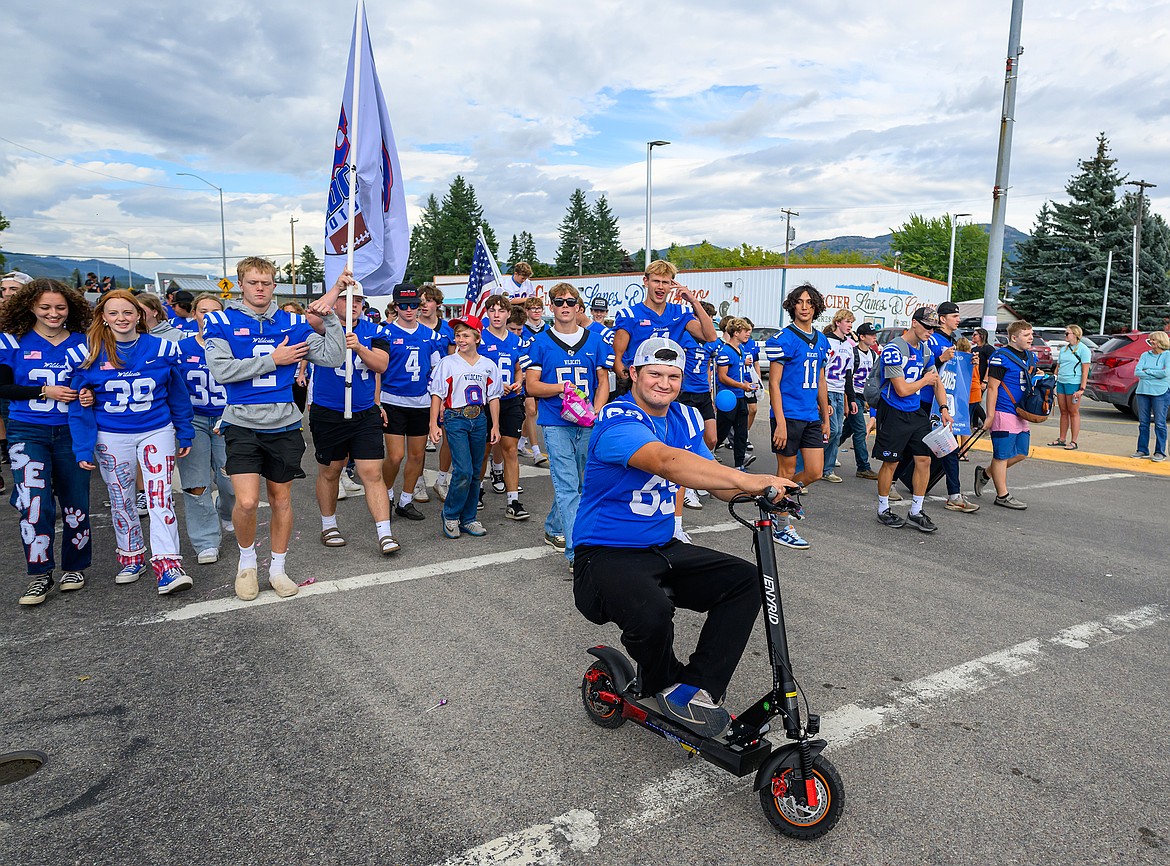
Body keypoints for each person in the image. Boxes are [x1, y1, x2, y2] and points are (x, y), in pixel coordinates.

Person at [572, 337, 794, 738]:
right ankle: (662, 683)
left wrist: (761, 493)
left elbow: (714, 482)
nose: (664, 382)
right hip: (606, 554)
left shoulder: (685, 418)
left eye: (673, 375)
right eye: (654, 373)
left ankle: (696, 688)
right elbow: (667, 462)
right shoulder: (617, 418)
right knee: (652, 611)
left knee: (747, 581)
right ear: (634, 374)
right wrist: (753, 477)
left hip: (662, 546)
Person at [203, 256, 346, 601]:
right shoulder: (218, 320)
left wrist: (331, 319)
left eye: (266, 283)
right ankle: (247, 563)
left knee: (281, 499)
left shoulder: (293, 322)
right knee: (248, 501)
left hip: (283, 422)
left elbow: (333, 357)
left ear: (274, 285)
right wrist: (274, 360)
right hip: (242, 422)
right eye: (253, 282)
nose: (260, 289)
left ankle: (278, 568)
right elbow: (222, 371)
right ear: (241, 283)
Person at [68, 290, 196, 594]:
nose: (121, 319)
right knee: (121, 498)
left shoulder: (163, 348)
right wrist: (83, 445)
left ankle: (167, 564)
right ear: (103, 317)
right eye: (113, 313)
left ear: (139, 315)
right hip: (111, 433)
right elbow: (78, 403)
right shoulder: (86, 352)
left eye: (128, 312)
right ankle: (131, 555)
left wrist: (185, 430)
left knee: (159, 495)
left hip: (156, 429)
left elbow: (178, 394)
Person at [0, 279, 93, 605]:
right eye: (45, 307)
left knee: (75, 501)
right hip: (28, 429)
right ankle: (39, 573)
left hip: (71, 430)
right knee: (34, 503)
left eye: (60, 307)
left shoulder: (83, 343)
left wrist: (87, 393)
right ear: (30, 307)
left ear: (70, 308)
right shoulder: (11, 342)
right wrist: (43, 391)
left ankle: (75, 566)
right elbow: (3, 388)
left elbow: (96, 383)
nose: (53, 313)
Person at [521, 283, 612, 569]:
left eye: (570, 302)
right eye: (559, 301)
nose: (565, 306)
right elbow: (532, 385)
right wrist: (561, 388)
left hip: (586, 422)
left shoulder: (595, 340)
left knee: (582, 483)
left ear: (578, 307)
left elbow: (603, 382)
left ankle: (552, 527)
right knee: (567, 486)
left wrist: (595, 411)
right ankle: (576, 552)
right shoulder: (540, 342)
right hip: (555, 422)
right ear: (551, 306)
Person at [310, 282, 398, 554]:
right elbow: (313, 316)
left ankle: (384, 533)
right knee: (331, 470)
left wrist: (360, 347)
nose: (355, 304)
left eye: (358, 299)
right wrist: (336, 288)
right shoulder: (325, 325)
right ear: (336, 302)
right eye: (348, 299)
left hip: (363, 410)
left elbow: (381, 365)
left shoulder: (376, 331)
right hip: (329, 410)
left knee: (372, 472)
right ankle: (329, 525)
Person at [763, 283, 831, 550]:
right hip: (788, 415)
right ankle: (780, 525)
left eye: (810, 302)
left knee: (815, 471)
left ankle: (775, 498)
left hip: (811, 415)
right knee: (786, 471)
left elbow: (821, 380)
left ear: (816, 307)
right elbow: (774, 384)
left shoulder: (822, 339)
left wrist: (824, 416)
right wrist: (779, 422)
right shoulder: (783, 338)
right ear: (792, 305)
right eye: (800, 302)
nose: (804, 306)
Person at [873, 307, 950, 531]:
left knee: (924, 460)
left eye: (934, 328)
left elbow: (936, 381)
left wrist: (944, 408)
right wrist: (925, 380)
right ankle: (883, 508)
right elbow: (902, 389)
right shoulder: (894, 349)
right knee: (891, 462)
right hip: (893, 410)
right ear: (914, 323)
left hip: (916, 413)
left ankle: (916, 510)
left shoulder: (925, 351)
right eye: (927, 327)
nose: (930, 332)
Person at [428, 316, 502, 538]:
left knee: (476, 471)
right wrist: (433, 423)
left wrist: (495, 425)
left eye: (466, 335)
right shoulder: (448, 362)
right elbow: (437, 394)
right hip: (456, 417)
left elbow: (494, 397)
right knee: (463, 470)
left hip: (479, 417)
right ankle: (451, 514)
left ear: (477, 337)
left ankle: (469, 518)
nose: (460, 339)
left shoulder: (488, 365)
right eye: (458, 335)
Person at [176, 294, 236, 565]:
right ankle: (206, 541)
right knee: (197, 483)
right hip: (194, 419)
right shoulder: (180, 348)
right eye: (203, 311)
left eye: (215, 311)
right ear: (193, 315)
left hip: (229, 417)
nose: (209, 316)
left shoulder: (235, 344)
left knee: (231, 481)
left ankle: (225, 512)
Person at [612, 260, 717, 399]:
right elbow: (617, 358)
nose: (660, 286)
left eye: (665, 282)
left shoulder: (680, 312)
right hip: (639, 384)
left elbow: (710, 336)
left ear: (672, 285)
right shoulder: (630, 315)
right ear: (646, 281)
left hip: (666, 385)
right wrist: (631, 384)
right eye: (656, 281)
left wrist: (694, 301)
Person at [379, 282, 441, 518]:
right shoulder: (384, 332)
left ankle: (405, 500)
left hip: (421, 402)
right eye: (403, 305)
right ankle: (384, 494)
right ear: (396, 306)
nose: (408, 310)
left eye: (413, 305)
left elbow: (437, 370)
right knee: (395, 455)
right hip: (393, 400)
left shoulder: (430, 335)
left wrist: (438, 402)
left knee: (417, 455)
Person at [974, 320, 1034, 509]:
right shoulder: (1001, 357)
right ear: (1014, 338)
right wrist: (990, 415)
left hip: (1022, 412)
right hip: (1004, 410)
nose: (1031, 337)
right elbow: (992, 387)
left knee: (1021, 452)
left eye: (1031, 334)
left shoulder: (1030, 356)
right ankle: (1002, 495)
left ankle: (985, 474)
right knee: (1001, 455)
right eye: (1026, 335)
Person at [478, 294, 528, 520]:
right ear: (487, 313)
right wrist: (497, 384)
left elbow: (519, 368)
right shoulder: (480, 338)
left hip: (510, 401)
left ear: (509, 314)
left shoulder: (517, 340)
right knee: (484, 448)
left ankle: (513, 501)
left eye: (501, 311)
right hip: (486, 402)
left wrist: (518, 381)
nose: (496, 315)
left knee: (510, 448)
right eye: (492, 310)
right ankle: (476, 491)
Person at [714, 316, 756, 471]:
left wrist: (748, 384)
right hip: (728, 398)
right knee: (721, 431)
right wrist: (741, 385)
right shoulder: (725, 351)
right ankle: (706, 455)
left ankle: (739, 464)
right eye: (744, 331)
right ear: (736, 332)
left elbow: (739, 372)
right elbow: (722, 377)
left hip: (740, 397)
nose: (747, 334)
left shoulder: (741, 350)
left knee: (741, 432)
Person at [821, 309, 856, 483]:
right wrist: (823, 397)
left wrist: (852, 398)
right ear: (838, 322)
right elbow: (822, 371)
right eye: (847, 321)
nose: (849, 325)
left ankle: (827, 469)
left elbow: (848, 375)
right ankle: (816, 462)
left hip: (840, 390)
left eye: (851, 322)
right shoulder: (827, 342)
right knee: (831, 429)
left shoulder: (849, 346)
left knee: (839, 431)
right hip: (827, 389)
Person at [517, 295, 549, 466]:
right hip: (527, 372)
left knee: (533, 411)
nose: (536, 312)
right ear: (527, 311)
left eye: (539, 308)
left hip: (543, 374)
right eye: (532, 309)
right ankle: (536, 450)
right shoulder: (522, 329)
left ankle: (521, 442)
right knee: (530, 410)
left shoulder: (548, 328)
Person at [845, 323, 879, 479]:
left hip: (865, 397)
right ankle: (863, 467)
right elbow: (847, 377)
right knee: (859, 430)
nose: (874, 337)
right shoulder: (853, 353)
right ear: (861, 337)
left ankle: (822, 452)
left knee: (845, 430)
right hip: (854, 397)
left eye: (874, 334)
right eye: (871, 335)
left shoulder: (873, 355)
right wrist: (849, 399)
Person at [1050, 324, 1092, 450]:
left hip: (1073, 383)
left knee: (1073, 412)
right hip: (1062, 382)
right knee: (1063, 411)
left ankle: (1074, 441)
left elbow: (1085, 371)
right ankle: (1062, 438)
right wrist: (1053, 380)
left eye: (1067, 333)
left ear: (1075, 334)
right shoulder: (1064, 349)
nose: (1065, 335)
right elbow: (1058, 367)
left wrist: (1082, 389)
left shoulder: (1084, 350)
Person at [1132, 330, 1170, 462]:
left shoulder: (1167, 356)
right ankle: (1142, 450)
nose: (1151, 342)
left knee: (1160, 423)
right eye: (1150, 339)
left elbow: (1165, 373)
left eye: (1153, 339)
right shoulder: (1145, 355)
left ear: (1161, 341)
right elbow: (1137, 372)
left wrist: (1147, 372)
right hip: (1142, 391)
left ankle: (1160, 452)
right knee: (1143, 423)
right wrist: (1155, 373)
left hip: (1161, 392)